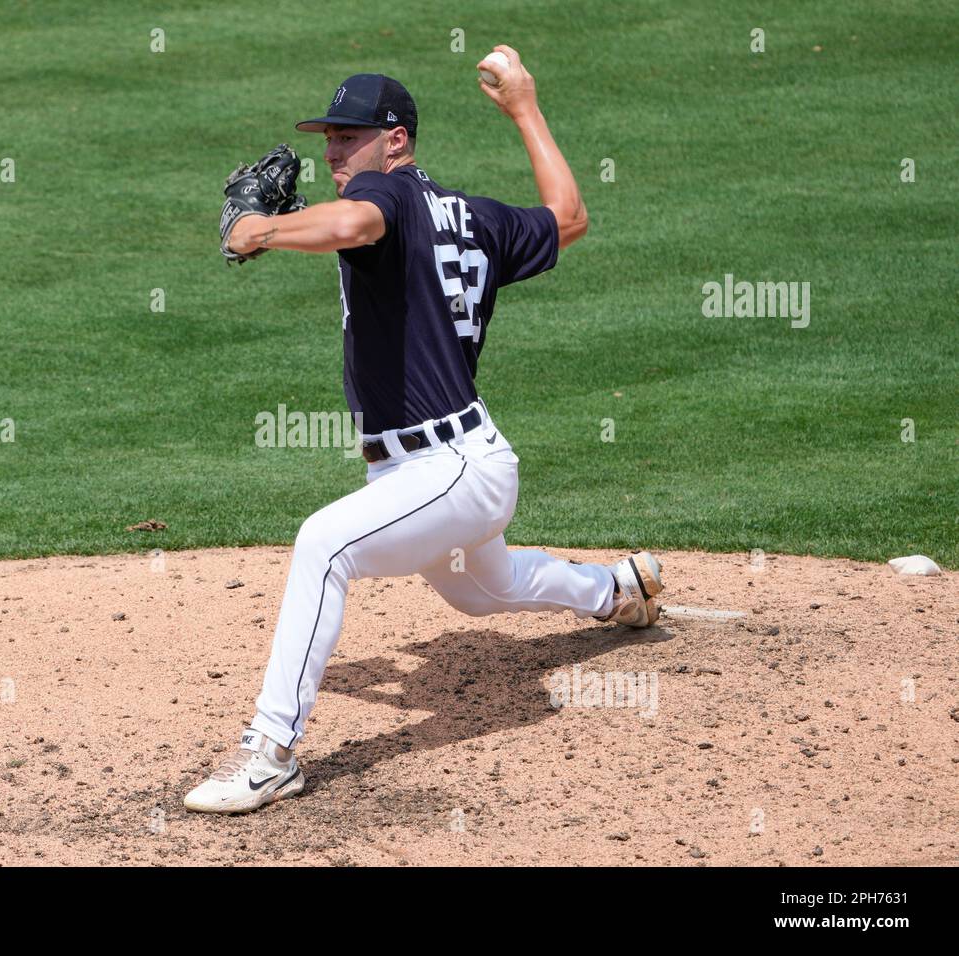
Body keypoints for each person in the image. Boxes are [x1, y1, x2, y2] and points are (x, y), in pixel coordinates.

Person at [186, 46, 664, 814]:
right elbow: (569, 218)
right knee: (486, 590)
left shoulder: (390, 194)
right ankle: (616, 590)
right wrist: (525, 108)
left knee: (323, 544)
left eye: (350, 136)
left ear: (396, 141)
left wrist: (260, 230)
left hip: (449, 467)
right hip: (456, 469)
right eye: (330, 137)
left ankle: (270, 754)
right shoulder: (472, 216)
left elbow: (355, 219)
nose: (334, 151)